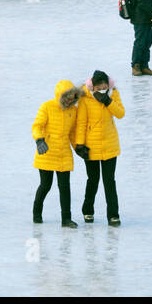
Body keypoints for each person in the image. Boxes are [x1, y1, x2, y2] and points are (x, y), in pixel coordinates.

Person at [74, 70, 124, 226]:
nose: (101, 89)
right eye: (98, 88)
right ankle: (87, 210)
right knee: (93, 180)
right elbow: (81, 122)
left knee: (109, 181)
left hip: (110, 145)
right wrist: (79, 145)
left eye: (104, 87)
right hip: (91, 146)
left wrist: (108, 101)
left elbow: (121, 113)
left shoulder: (113, 94)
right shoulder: (85, 98)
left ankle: (113, 215)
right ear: (92, 87)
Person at [31, 79, 83, 227]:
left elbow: (72, 133)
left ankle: (66, 219)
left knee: (65, 187)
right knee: (46, 185)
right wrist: (40, 140)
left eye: (72, 99)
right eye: (67, 99)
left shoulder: (73, 111)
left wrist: (78, 148)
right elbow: (37, 126)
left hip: (64, 153)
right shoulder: (47, 107)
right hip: (46, 151)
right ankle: (37, 212)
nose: (69, 102)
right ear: (60, 96)